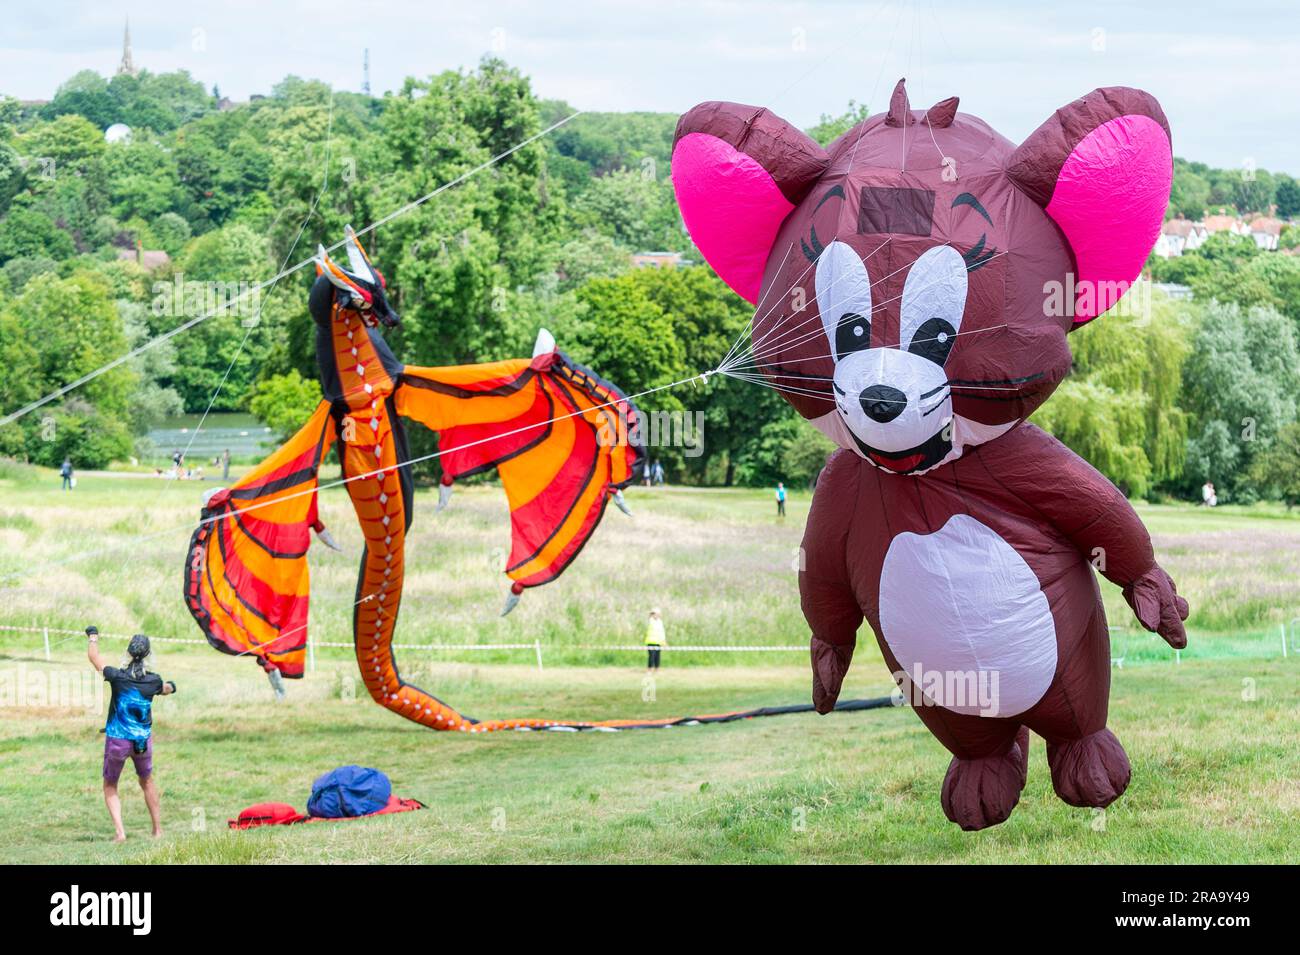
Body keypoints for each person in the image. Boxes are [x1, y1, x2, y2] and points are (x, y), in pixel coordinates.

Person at [86, 627, 176, 842]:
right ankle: (157, 831)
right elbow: (164, 689)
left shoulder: (116, 677)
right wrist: (172, 687)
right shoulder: (154, 681)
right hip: (142, 742)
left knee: (110, 785)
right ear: (148, 656)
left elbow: (94, 657)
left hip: (117, 740)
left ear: (127, 653)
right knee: (146, 781)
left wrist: (93, 636)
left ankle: (120, 833)